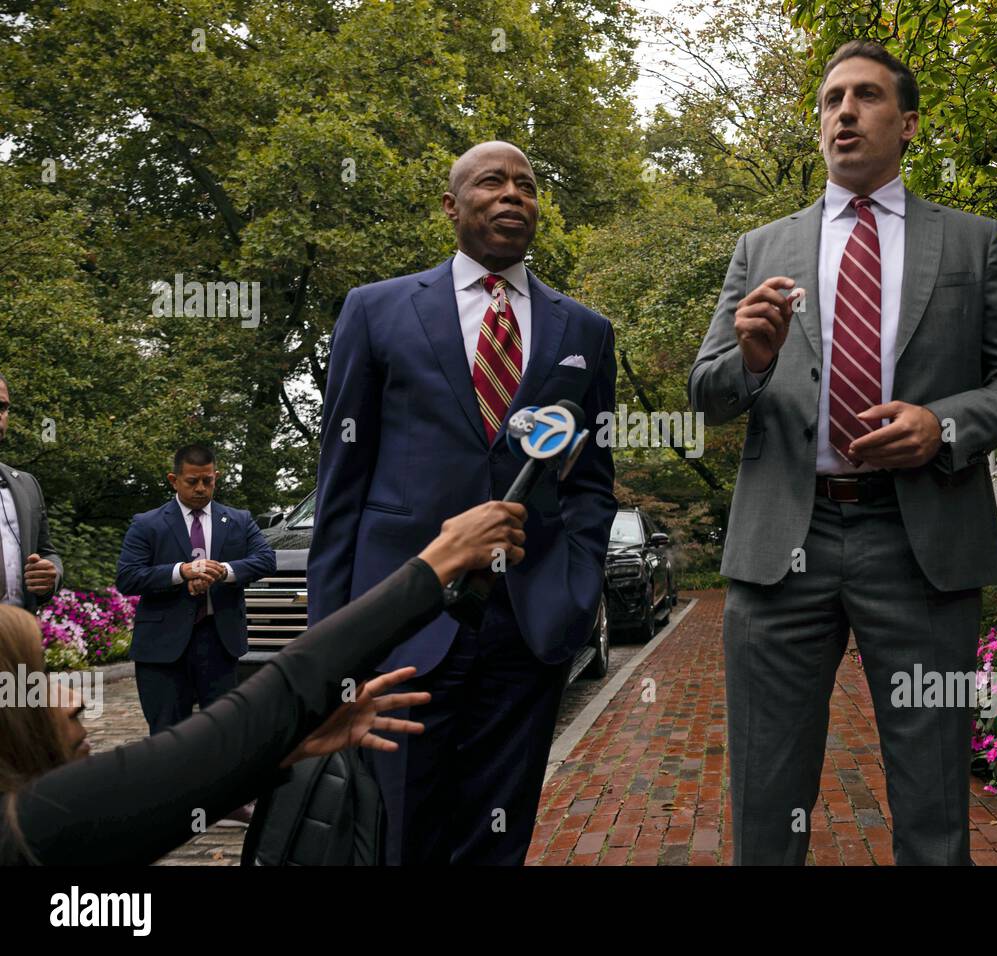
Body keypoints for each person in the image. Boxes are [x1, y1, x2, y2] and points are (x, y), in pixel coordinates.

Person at [689, 41, 997, 865]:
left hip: (921, 544)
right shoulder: (761, 248)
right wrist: (750, 360)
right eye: (831, 100)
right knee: (765, 798)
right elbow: (706, 392)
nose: (844, 112)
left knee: (933, 805)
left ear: (908, 123)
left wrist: (943, 426)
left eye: (866, 96)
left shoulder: (972, 243)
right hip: (783, 546)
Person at [309, 140, 617, 865]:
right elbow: (341, 486)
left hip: (527, 629)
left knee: (497, 840)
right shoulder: (376, 310)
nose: (513, 195)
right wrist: (329, 648)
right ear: (451, 206)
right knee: (396, 836)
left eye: (526, 186)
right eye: (491, 182)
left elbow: (592, 482)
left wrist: (575, 592)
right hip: (405, 623)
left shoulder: (585, 330)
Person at [0, 500, 527, 866]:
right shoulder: (30, 830)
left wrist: (282, 749)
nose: (73, 700)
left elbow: (162, 798)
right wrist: (437, 564)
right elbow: (232, 730)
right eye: (36, 684)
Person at [116, 443, 277, 737]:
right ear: (173, 480)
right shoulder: (147, 524)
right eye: (192, 481)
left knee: (224, 735)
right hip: (162, 649)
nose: (201, 488)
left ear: (216, 477)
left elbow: (266, 560)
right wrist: (181, 572)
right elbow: (128, 577)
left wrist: (222, 571)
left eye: (208, 480)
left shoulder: (239, 520)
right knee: (167, 738)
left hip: (220, 643)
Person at [0, 372, 63, 611]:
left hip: (19, 627)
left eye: (2, 407)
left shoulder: (27, 485)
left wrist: (50, 576)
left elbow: (47, 552)